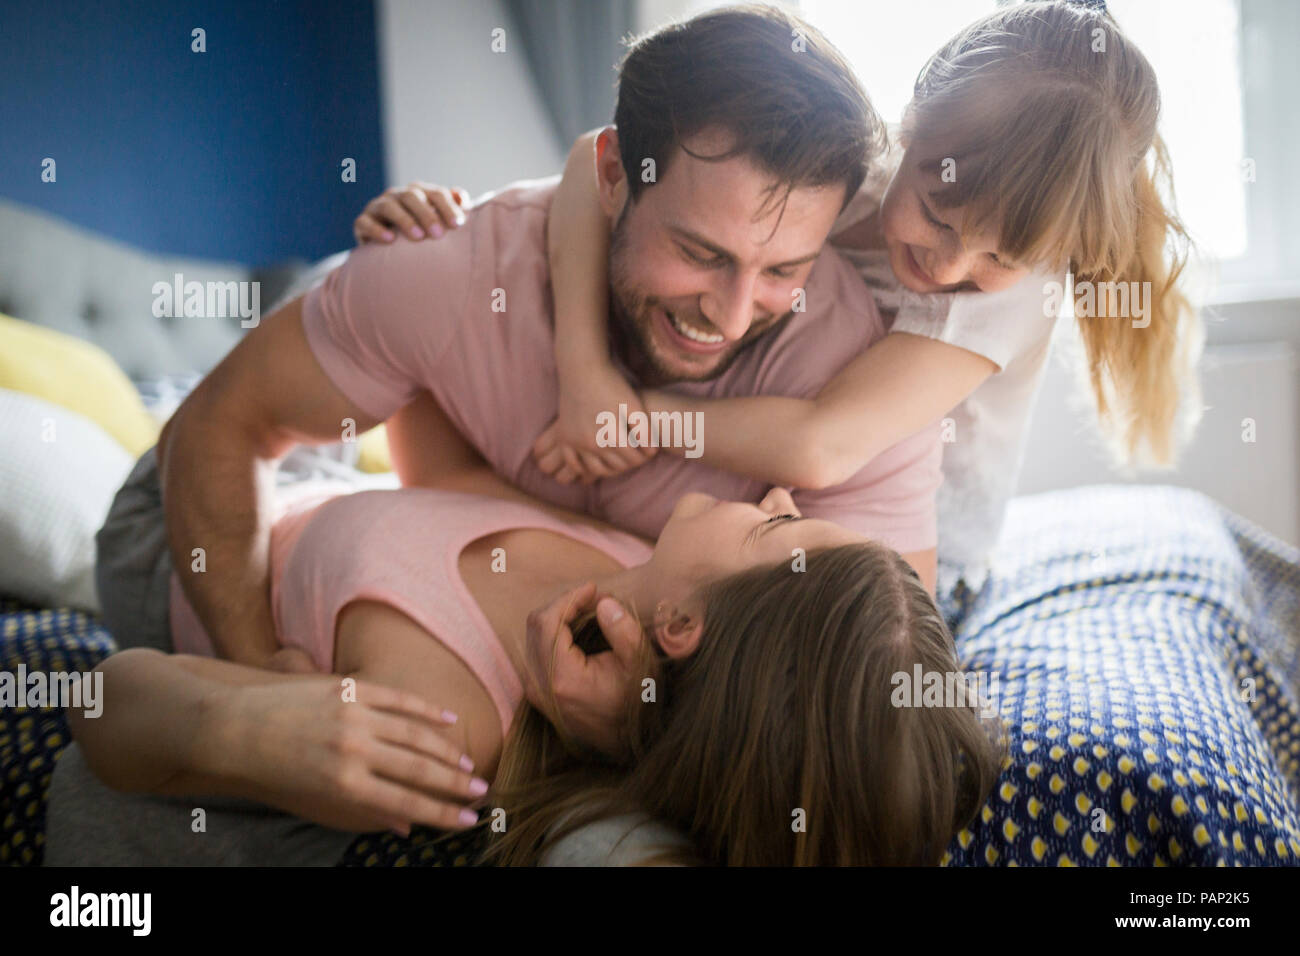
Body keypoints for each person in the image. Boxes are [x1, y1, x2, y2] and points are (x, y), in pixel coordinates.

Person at [93, 4, 947, 688]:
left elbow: (871, 677)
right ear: (612, 177)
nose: (729, 316)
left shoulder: (855, 387)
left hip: (401, 501)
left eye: (781, 269)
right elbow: (221, 423)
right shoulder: (444, 271)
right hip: (204, 517)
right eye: (699, 253)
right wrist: (259, 685)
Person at [358, 0, 1202, 605]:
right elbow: (593, 161)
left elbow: (823, 447)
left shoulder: (1004, 303)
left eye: (1000, 257)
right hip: (748, 503)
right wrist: (581, 369)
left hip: (906, 562)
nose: (950, 265)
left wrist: (631, 416)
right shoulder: (847, 162)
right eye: (939, 217)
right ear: (911, 124)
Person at [70, 449, 1006, 865]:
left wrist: (236, 723)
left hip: (170, 541)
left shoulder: (443, 725)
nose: (773, 492)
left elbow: (102, 710)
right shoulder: (631, 583)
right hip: (319, 485)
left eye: (778, 527)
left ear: (685, 628)